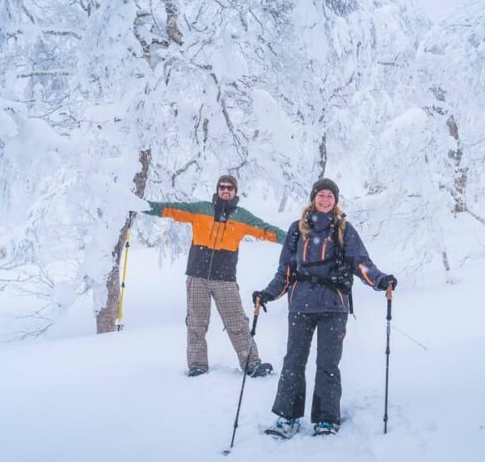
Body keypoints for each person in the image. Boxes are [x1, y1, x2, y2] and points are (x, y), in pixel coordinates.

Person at [253, 178, 397, 437]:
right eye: (321, 195)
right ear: (313, 198)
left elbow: (361, 263)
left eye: (330, 195)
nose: (325, 200)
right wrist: (267, 294)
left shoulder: (343, 229)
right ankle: (287, 418)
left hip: (334, 305)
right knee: (293, 362)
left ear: (336, 200)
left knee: (328, 363)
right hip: (301, 305)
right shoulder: (297, 230)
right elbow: (285, 271)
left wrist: (379, 280)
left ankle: (326, 419)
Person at [145, 175, 287, 377]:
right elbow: (170, 209)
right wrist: (144, 206)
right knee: (196, 323)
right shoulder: (201, 210)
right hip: (197, 277)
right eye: (222, 187)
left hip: (225, 280)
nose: (226, 190)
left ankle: (252, 363)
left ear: (235, 191)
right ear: (217, 189)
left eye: (230, 188)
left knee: (237, 322)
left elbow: (266, 231)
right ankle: (197, 365)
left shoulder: (242, 216)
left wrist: (294, 239)